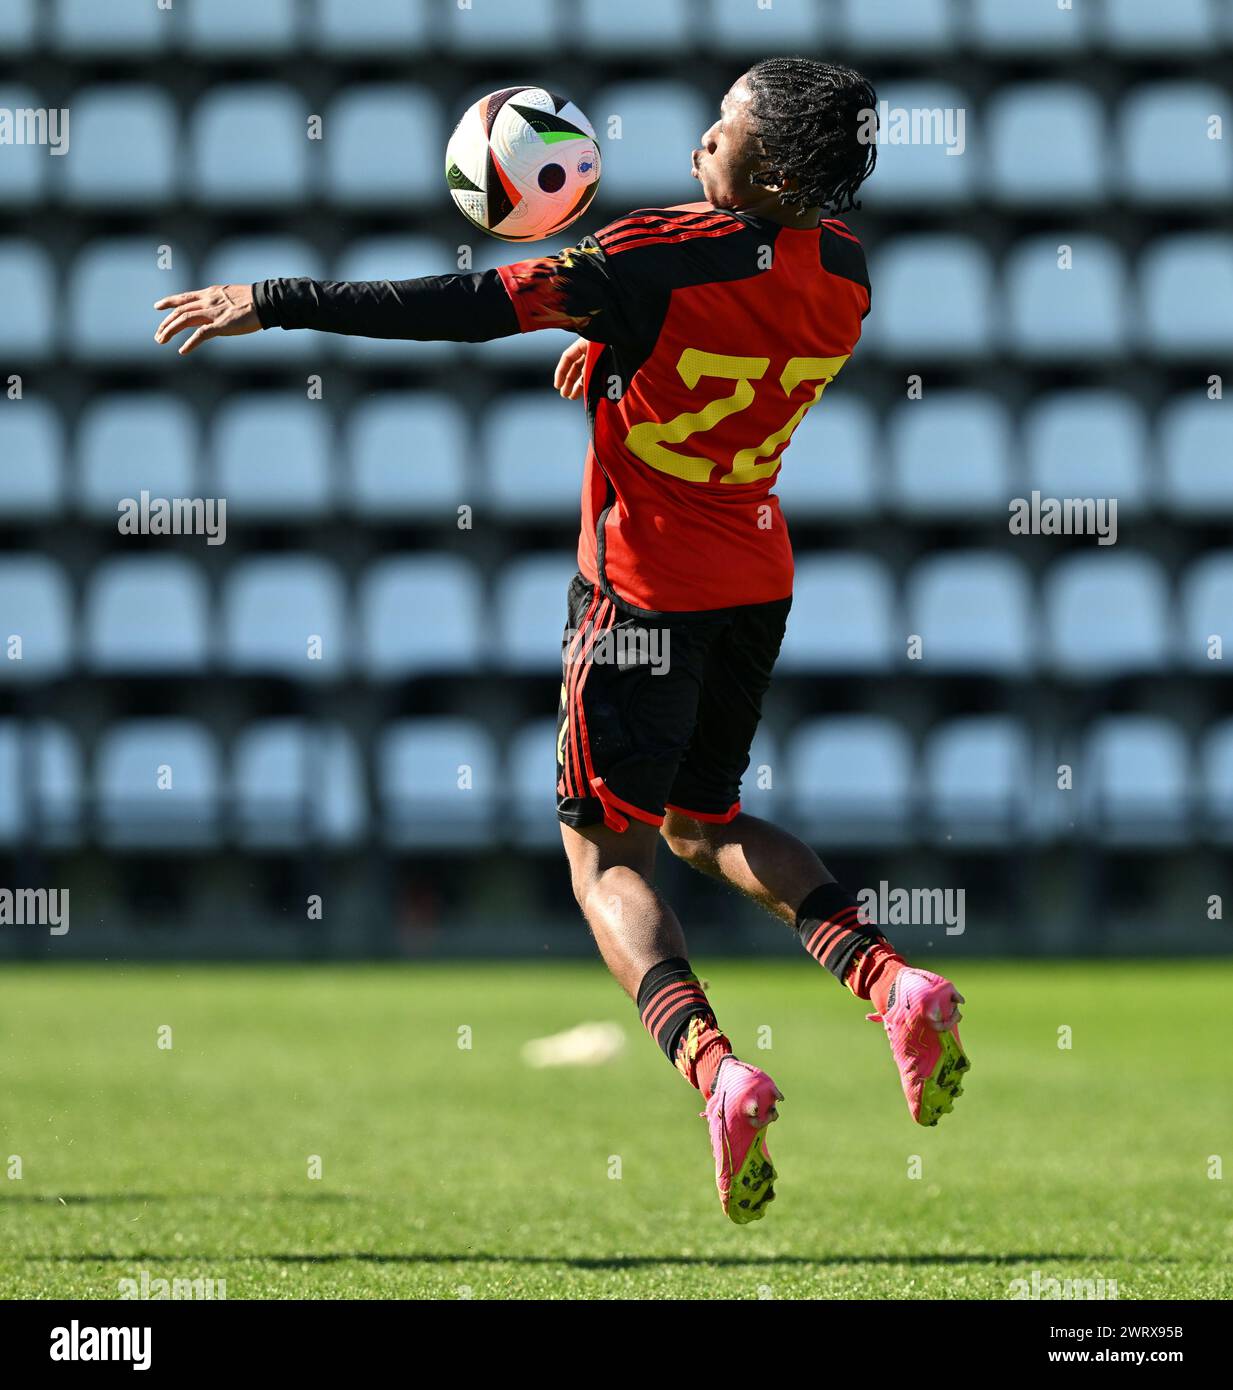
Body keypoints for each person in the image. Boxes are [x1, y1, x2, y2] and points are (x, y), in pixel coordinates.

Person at [153, 56, 968, 1226]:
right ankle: (895, 981)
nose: (700, 139)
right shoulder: (847, 271)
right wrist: (620, 363)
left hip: (639, 598)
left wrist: (277, 298)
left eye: (723, 128)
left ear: (774, 170)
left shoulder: (649, 256)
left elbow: (466, 309)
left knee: (608, 861)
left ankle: (718, 1074)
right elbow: (726, 347)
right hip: (754, 578)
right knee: (707, 822)